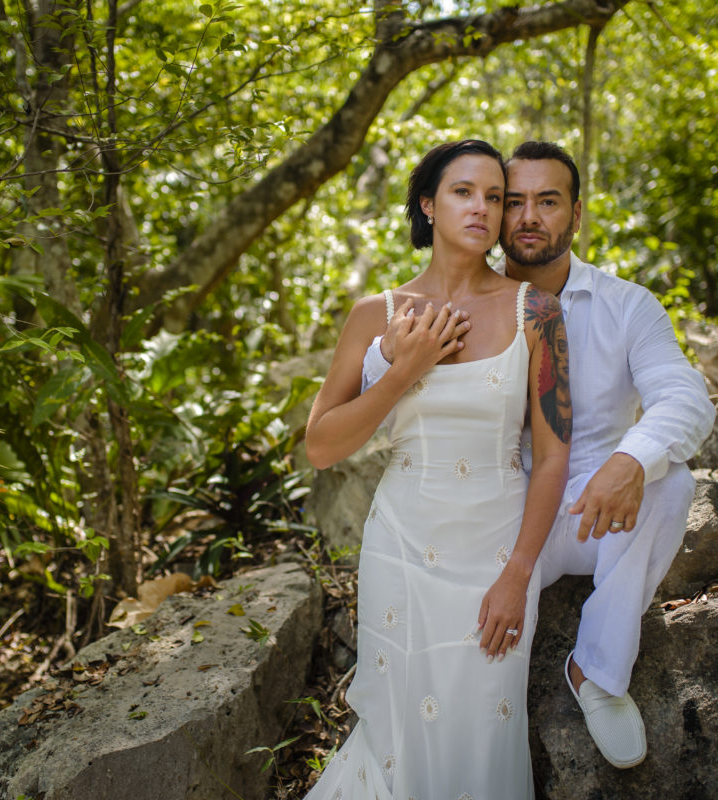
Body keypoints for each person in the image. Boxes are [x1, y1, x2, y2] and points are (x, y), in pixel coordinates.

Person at [361, 140, 716, 771]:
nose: (526, 217)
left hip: (587, 514)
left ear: (576, 214)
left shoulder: (627, 305)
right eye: (513, 201)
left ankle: (598, 672)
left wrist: (629, 459)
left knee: (671, 482)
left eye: (547, 201)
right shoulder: (451, 307)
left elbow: (686, 398)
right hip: (487, 520)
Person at [304, 140, 571, 800]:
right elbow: (321, 446)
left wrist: (519, 572)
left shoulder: (535, 310)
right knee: (398, 731)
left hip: (496, 550)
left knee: (485, 725)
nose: (481, 207)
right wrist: (401, 372)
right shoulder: (377, 314)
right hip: (401, 546)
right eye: (463, 191)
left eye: (495, 196)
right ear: (428, 204)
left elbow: (553, 455)